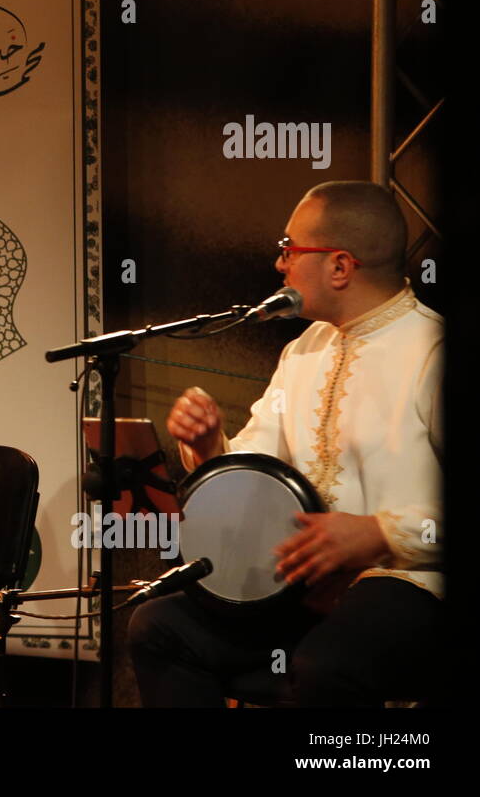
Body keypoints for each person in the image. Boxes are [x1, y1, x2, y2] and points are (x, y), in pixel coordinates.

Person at [128, 180, 442, 706]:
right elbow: (255, 471)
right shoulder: (303, 351)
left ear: (340, 266)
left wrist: (378, 532)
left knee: (325, 665)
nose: (280, 264)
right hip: (301, 589)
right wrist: (208, 448)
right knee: (160, 627)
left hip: (409, 584)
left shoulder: (431, 350)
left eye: (290, 249)